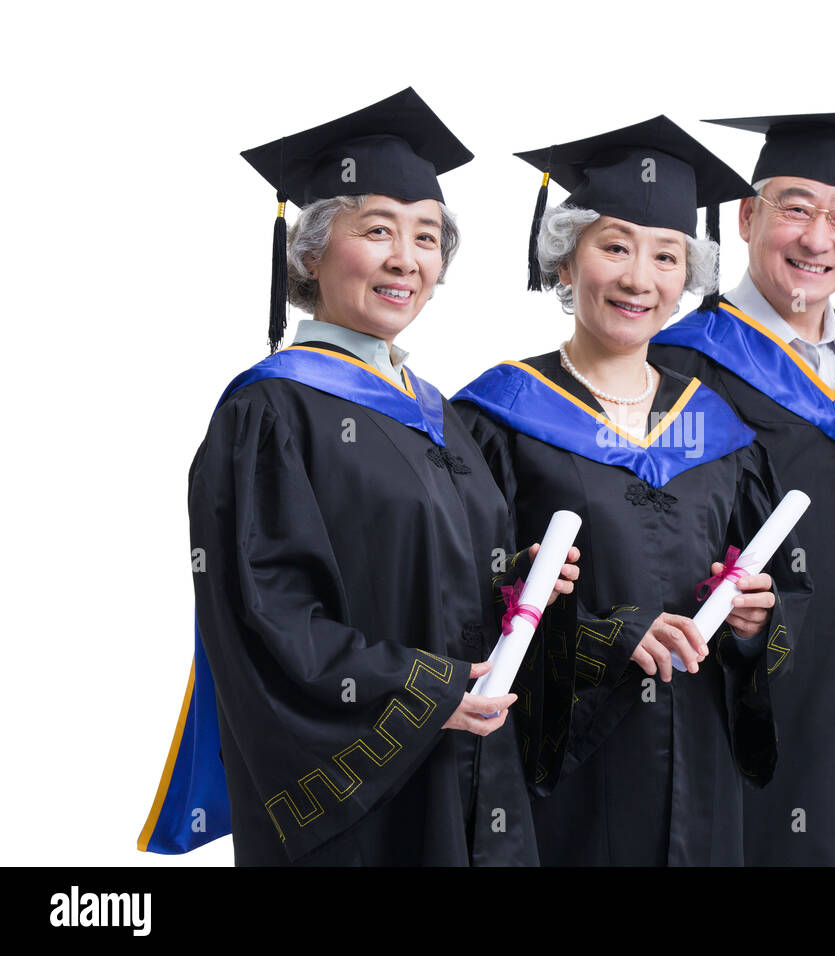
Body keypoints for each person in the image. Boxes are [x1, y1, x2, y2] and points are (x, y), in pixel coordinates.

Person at [137, 88, 576, 865]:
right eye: (378, 230)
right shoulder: (272, 413)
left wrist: (522, 579)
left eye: (428, 237)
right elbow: (269, 622)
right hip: (363, 806)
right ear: (310, 251)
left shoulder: (440, 414)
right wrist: (429, 689)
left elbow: (431, 578)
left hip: (477, 772)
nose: (407, 258)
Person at [454, 116, 812, 865]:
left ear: (689, 279)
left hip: (706, 775)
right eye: (614, 246)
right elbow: (456, 598)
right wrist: (597, 636)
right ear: (563, 261)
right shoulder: (495, 418)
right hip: (564, 780)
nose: (638, 278)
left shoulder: (722, 432)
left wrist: (752, 623)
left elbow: (790, 603)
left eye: (666, 256)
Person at [651, 113, 835, 866]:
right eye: (797, 208)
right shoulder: (677, 366)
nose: (820, 239)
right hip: (738, 719)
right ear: (747, 217)